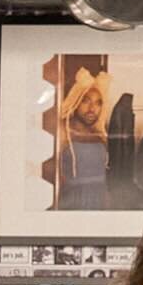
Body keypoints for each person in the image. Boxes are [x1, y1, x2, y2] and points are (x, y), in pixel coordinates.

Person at [55, 67, 110, 211]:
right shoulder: (62, 132)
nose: (92, 108)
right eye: (86, 101)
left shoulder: (99, 134)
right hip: (73, 202)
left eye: (98, 103)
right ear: (76, 102)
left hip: (99, 202)